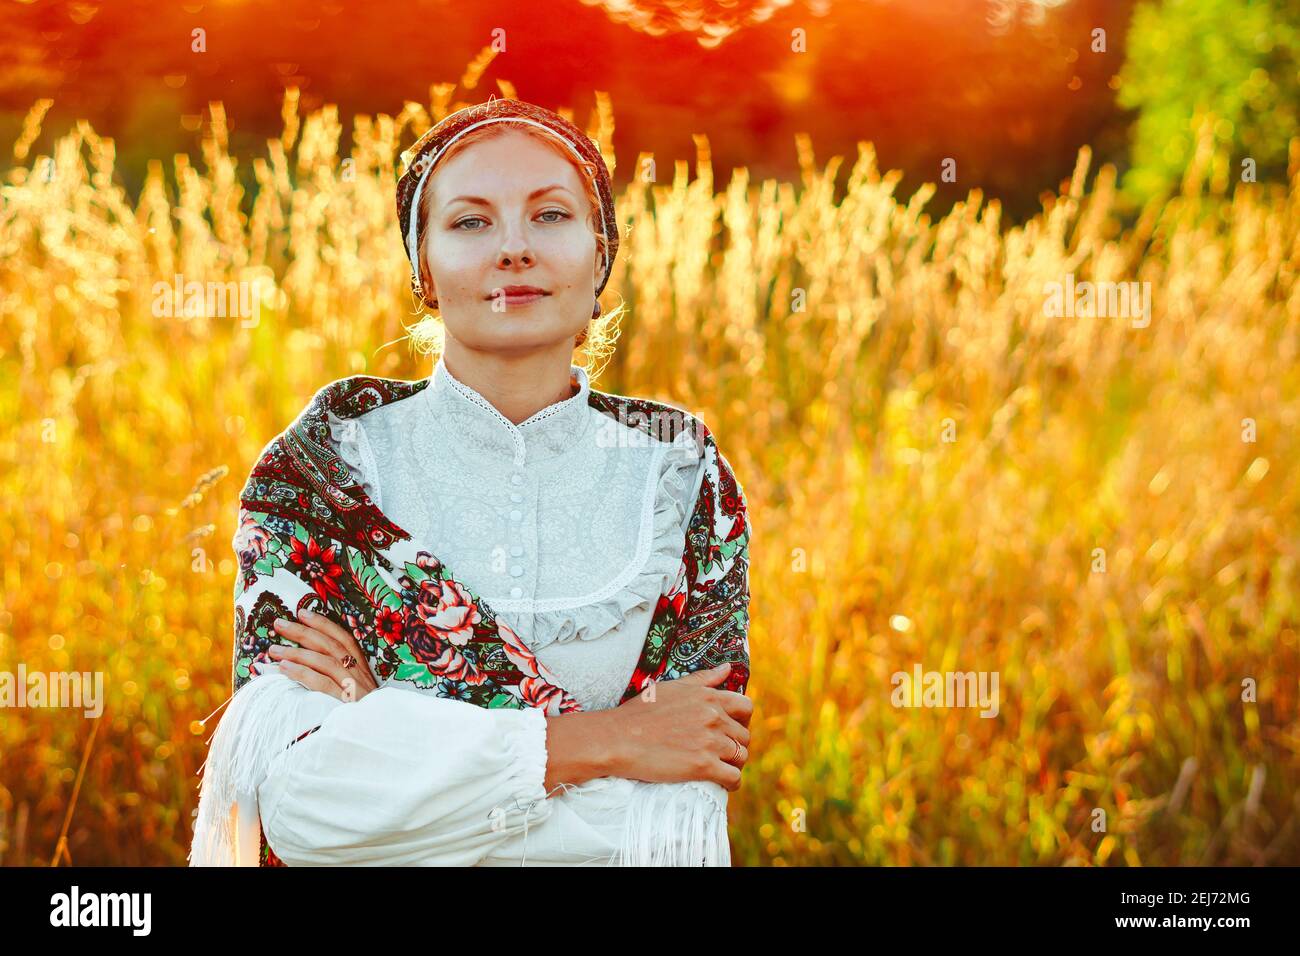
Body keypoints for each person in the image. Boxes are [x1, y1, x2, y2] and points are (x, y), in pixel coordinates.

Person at [190, 97, 752, 866]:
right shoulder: (319, 476)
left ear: (600, 257)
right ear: (423, 267)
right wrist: (612, 739)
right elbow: (300, 806)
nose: (514, 249)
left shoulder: (686, 479)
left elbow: (675, 819)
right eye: (470, 222)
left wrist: (383, 726)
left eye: (551, 216)